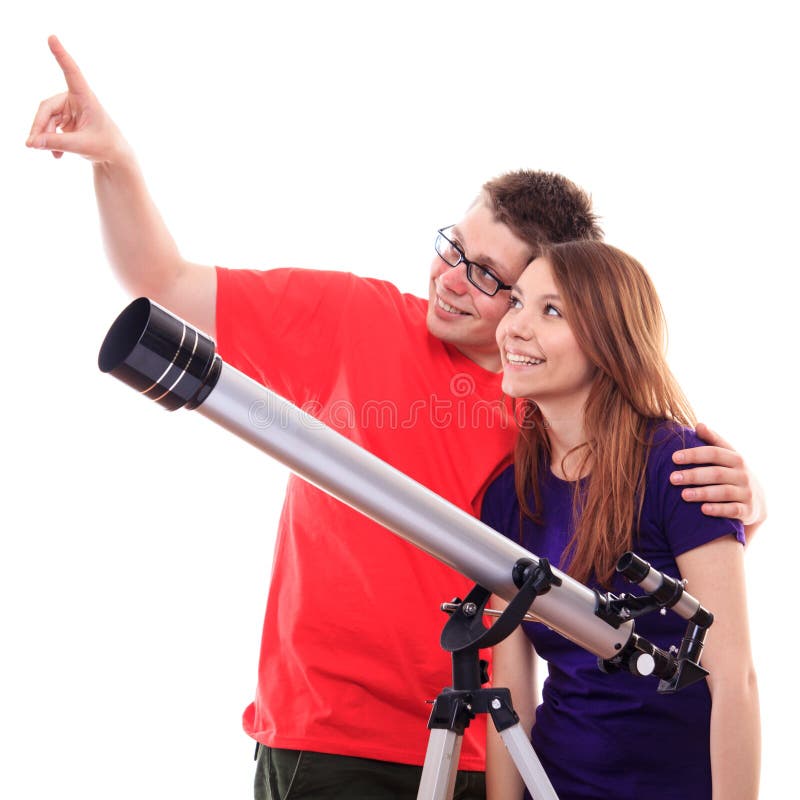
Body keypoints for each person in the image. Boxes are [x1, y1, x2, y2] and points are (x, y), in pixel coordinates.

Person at [28, 36, 766, 800]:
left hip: (485, 747)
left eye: (489, 277)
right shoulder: (356, 317)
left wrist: (741, 500)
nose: (451, 280)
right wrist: (114, 160)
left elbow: (636, 525)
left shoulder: (548, 402)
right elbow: (162, 279)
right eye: (454, 247)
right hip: (326, 736)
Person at [482, 241, 760, 799]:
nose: (515, 327)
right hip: (552, 785)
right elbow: (509, 692)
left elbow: (735, 681)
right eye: (516, 302)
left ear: (608, 338)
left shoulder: (680, 467)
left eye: (551, 310)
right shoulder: (509, 496)